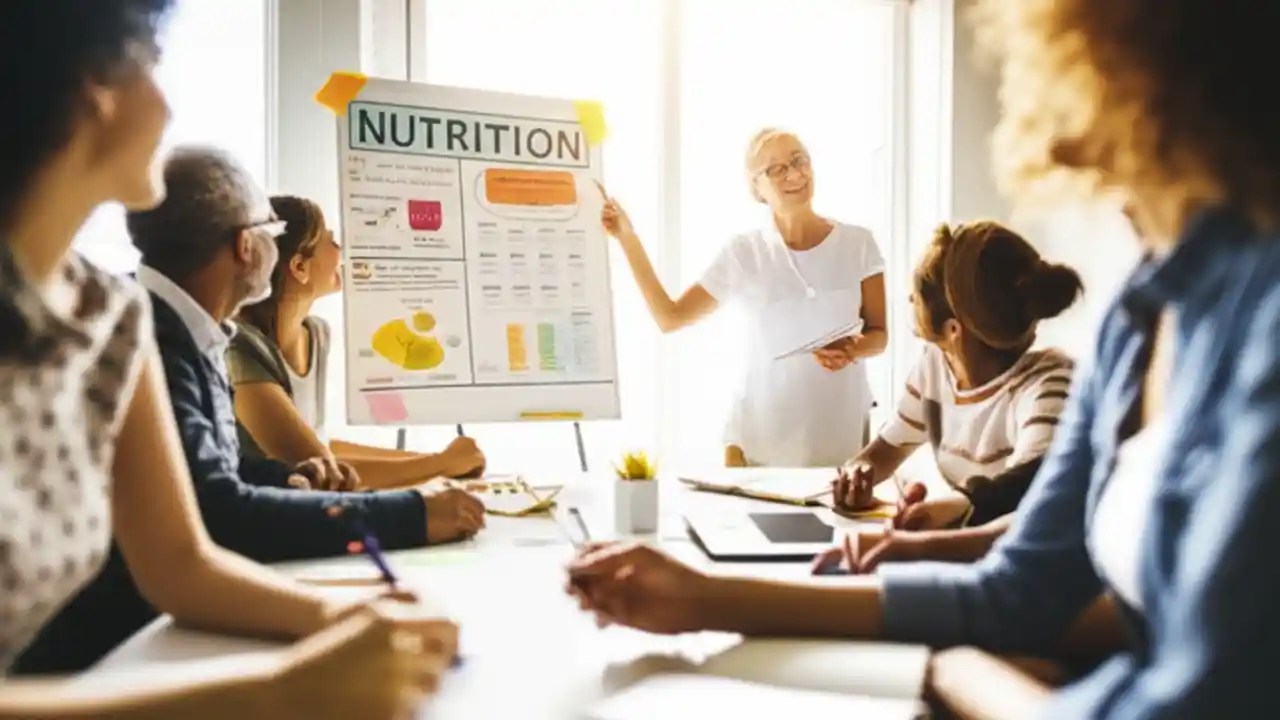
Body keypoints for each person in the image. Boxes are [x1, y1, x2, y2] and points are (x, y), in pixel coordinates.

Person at [568, 0, 1280, 716]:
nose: (1064, 147)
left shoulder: (1248, 325)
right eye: (773, 167)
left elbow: (1194, 691)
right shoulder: (1136, 321)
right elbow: (1016, 587)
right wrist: (704, 597)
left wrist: (950, 670)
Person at [0, 1, 456, 716]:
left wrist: (354, 622)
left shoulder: (111, 316)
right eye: (151, 60)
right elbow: (220, 521)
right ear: (94, 83)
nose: (170, 98)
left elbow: (182, 564)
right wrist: (274, 694)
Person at [15, 146, 486, 674]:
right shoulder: (147, 330)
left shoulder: (189, 327)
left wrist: (287, 480)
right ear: (246, 245)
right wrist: (414, 513)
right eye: (270, 229)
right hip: (99, 661)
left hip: (157, 637)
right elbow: (217, 513)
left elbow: (210, 468)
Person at [599, 129, 887, 468]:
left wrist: (852, 349)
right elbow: (670, 317)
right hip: (759, 447)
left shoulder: (859, 243)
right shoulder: (744, 253)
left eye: (799, 161)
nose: (794, 174)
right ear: (756, 188)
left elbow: (879, 334)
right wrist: (627, 238)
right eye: (776, 169)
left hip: (842, 444)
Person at [822, 220, 1082, 571]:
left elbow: (1038, 485)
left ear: (953, 329)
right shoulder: (936, 365)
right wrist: (858, 473)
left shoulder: (1049, 384)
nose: (911, 298)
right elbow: (890, 445)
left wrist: (960, 505)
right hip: (970, 559)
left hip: (1021, 568)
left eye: (918, 293)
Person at [228, 194, 486, 489]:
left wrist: (440, 460)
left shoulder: (317, 334)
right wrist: (441, 464)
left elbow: (322, 445)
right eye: (331, 241)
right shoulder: (239, 348)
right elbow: (320, 469)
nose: (341, 250)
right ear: (299, 267)